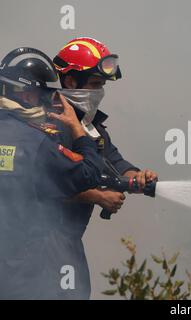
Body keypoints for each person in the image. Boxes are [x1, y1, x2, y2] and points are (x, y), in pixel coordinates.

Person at [53, 37, 158, 298]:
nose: (100, 92)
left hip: (68, 245)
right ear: (70, 81)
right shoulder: (48, 125)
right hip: (35, 245)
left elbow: (115, 163)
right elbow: (39, 186)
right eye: (95, 84)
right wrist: (97, 196)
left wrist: (138, 177)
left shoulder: (92, 128)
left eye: (102, 85)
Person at [0, 47, 104, 299]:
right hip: (27, 276)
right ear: (27, 92)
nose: (47, 100)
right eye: (44, 93)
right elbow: (87, 173)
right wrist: (77, 129)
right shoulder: (35, 143)